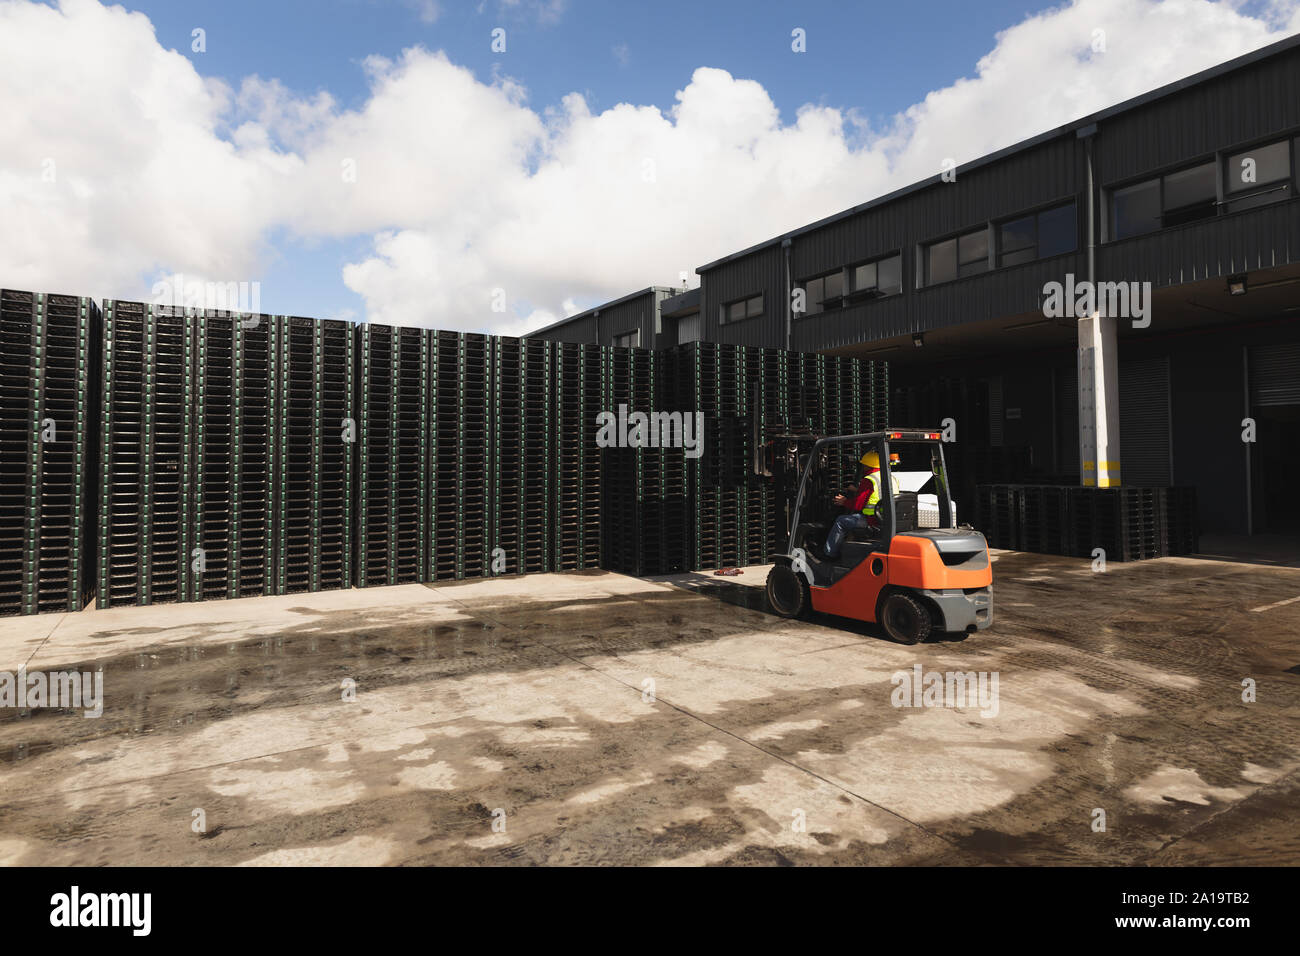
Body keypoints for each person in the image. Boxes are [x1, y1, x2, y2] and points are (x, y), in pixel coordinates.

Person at [823, 449, 883, 560]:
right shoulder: (887, 477)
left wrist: (843, 501)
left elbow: (858, 505)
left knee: (841, 520)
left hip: (870, 520)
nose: (863, 468)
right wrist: (857, 490)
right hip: (883, 519)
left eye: (864, 465)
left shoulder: (869, 480)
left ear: (868, 466)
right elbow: (876, 494)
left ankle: (829, 554)